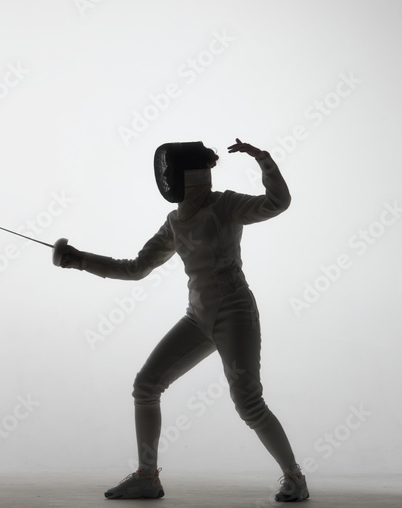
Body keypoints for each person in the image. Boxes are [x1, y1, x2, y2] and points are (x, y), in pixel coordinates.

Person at [54, 139, 308, 502]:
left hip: (235, 313)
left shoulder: (225, 205)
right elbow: (136, 269)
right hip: (199, 317)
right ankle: (147, 477)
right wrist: (79, 259)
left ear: (187, 176)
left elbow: (277, 203)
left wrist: (264, 161)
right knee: (146, 385)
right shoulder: (174, 223)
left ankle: (295, 478)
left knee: (248, 402)